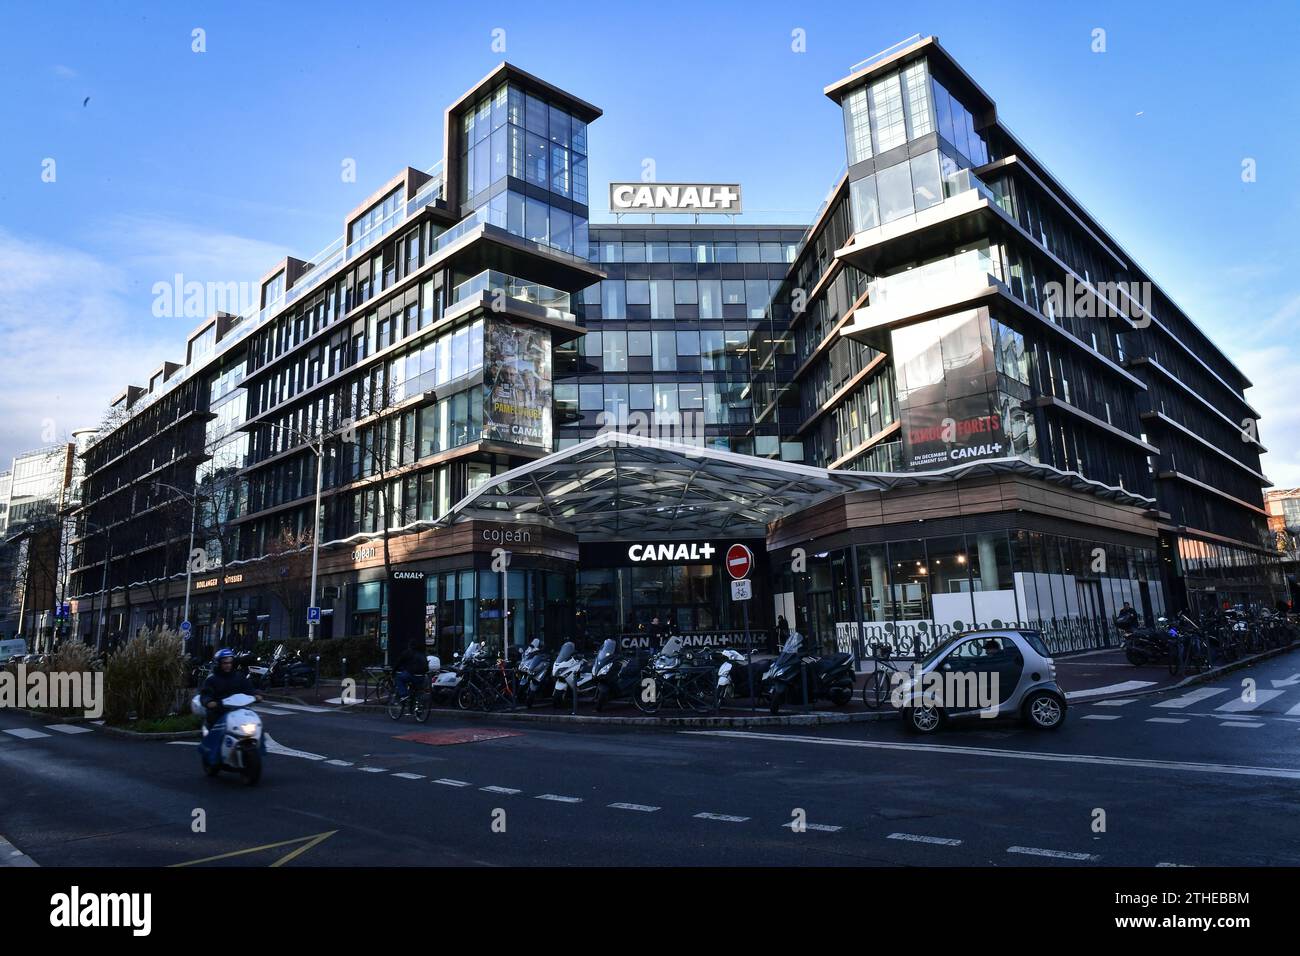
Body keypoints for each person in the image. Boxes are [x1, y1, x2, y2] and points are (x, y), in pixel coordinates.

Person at [199, 648, 258, 767]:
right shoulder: (212, 680)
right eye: (225, 663)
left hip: (239, 710)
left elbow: (249, 689)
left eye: (230, 662)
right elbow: (206, 694)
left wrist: (256, 695)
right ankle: (214, 756)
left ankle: (260, 747)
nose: (228, 665)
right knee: (217, 730)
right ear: (219, 664)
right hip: (219, 712)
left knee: (256, 722)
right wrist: (209, 701)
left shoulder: (239, 677)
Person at [393, 640, 429, 708]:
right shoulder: (422, 653)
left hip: (412, 674)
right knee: (417, 689)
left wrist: (393, 671)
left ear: (410, 646)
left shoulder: (408, 652)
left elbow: (399, 662)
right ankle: (417, 707)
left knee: (399, 678)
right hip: (422, 676)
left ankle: (404, 695)